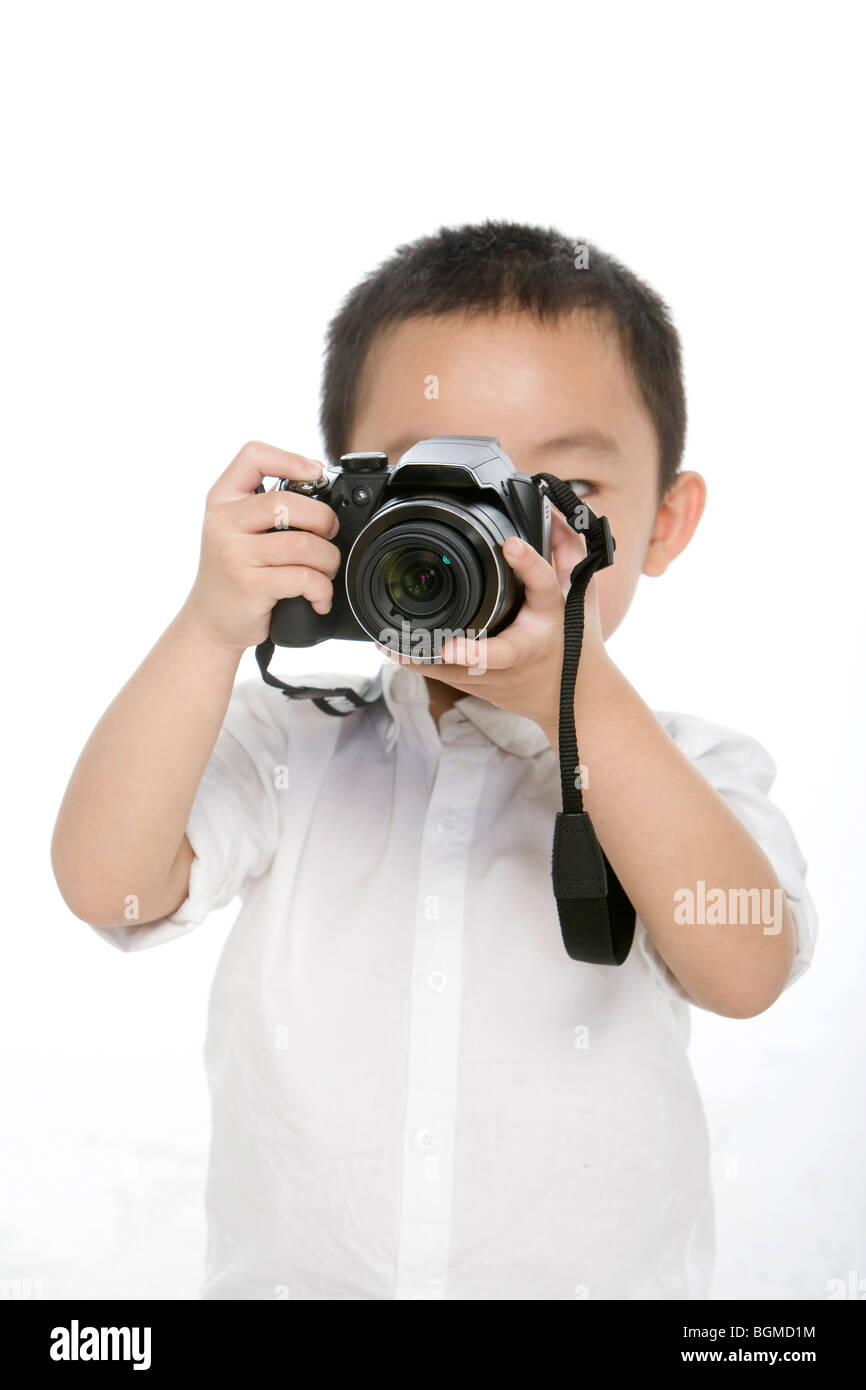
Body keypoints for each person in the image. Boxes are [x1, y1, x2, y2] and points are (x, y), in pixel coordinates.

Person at [51, 221, 818, 1300]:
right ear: (344, 510)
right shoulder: (291, 741)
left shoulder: (687, 767)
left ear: (663, 523)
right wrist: (207, 627)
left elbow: (744, 973)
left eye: (561, 497)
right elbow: (108, 884)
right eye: (437, 487)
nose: (493, 539)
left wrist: (579, 699)